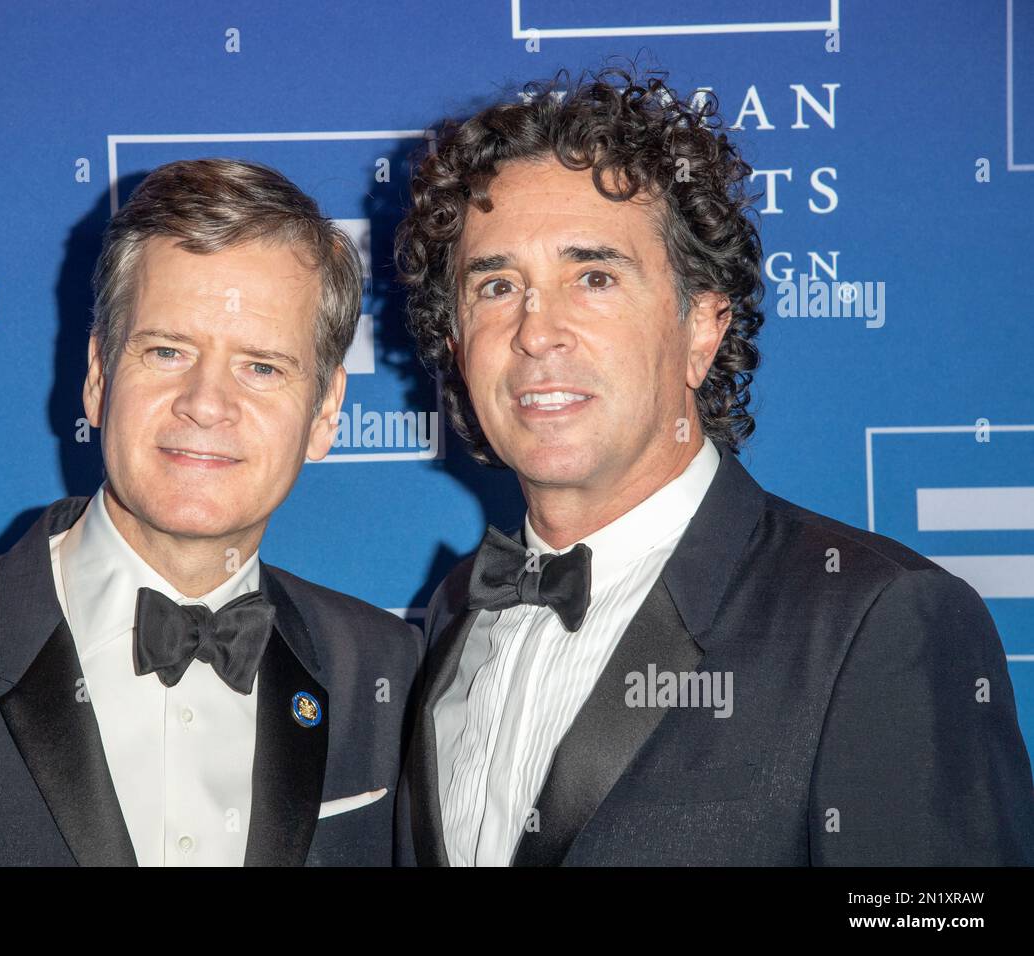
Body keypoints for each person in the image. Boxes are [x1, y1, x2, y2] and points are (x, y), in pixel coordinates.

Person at [392, 66, 1034, 866]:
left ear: (702, 328)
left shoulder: (877, 621)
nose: (536, 331)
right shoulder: (452, 618)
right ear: (456, 349)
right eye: (496, 285)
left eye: (593, 277)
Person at [0, 158, 421, 866]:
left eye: (262, 367)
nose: (206, 402)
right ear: (98, 377)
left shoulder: (385, 673)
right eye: (166, 350)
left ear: (326, 413)